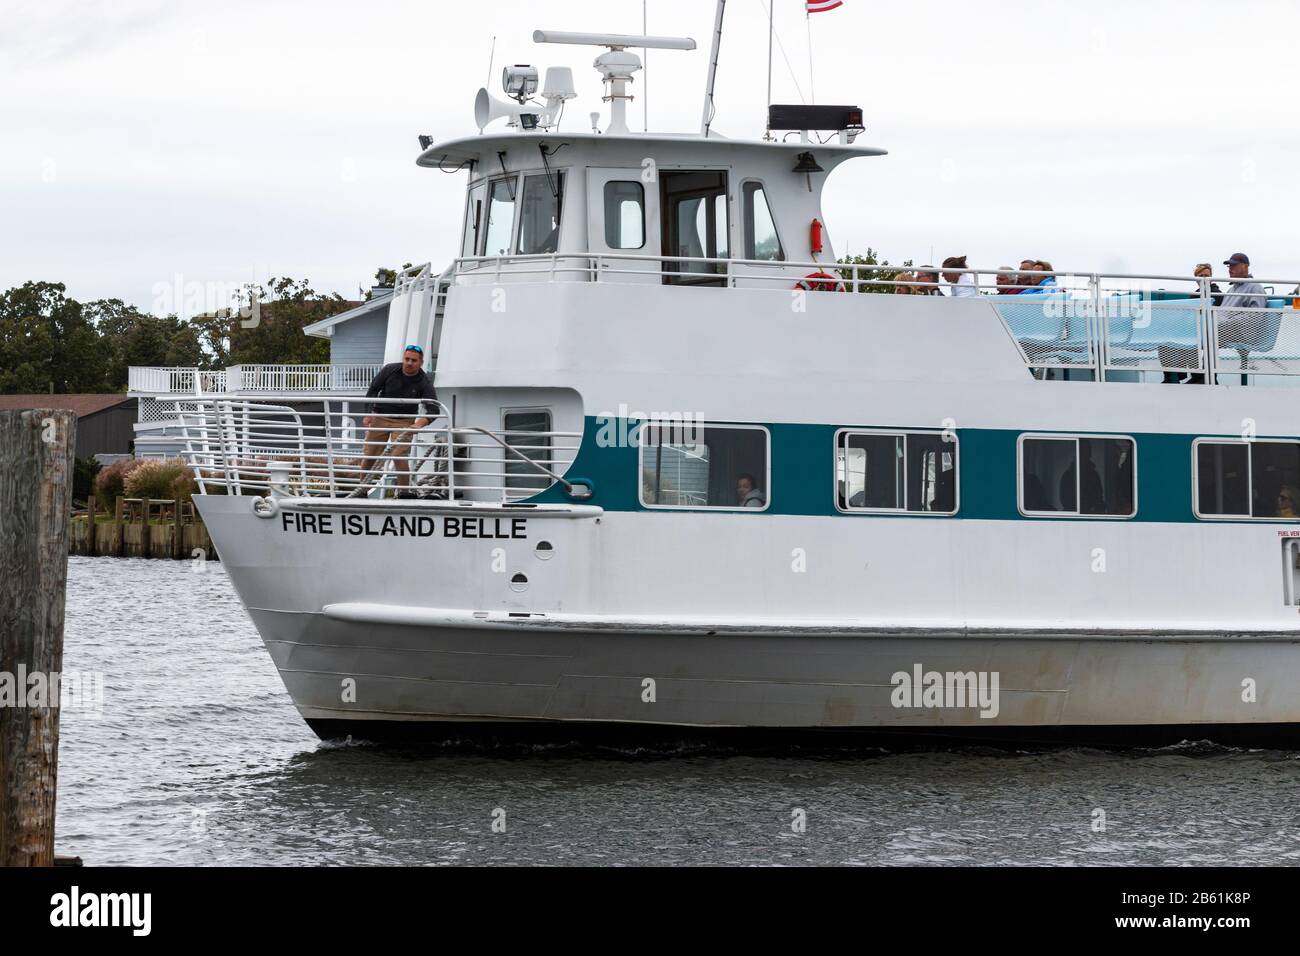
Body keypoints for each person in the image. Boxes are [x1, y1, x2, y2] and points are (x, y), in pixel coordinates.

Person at [350, 345, 439, 499]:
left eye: (414, 360)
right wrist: (367, 414)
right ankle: (361, 491)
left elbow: (434, 410)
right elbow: (373, 390)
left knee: (399, 456)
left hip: (404, 421)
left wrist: (419, 424)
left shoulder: (423, 381)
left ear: (421, 362)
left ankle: (404, 493)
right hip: (380, 417)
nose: (409, 363)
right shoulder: (389, 370)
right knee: (370, 455)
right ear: (403, 359)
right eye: (407, 359)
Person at [1159, 264, 1224, 383]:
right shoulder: (1196, 294)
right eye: (1201, 276)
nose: (1204, 279)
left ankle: (1189, 376)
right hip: (1196, 329)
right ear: (1196, 278)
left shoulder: (1216, 293)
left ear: (1211, 277)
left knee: (1180, 341)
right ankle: (1179, 375)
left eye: (1206, 276)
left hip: (1208, 331)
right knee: (1166, 341)